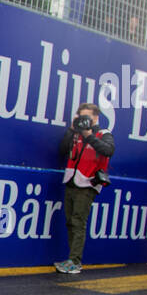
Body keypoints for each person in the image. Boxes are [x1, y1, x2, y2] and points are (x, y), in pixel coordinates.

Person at [54, 102, 114, 274]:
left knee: (78, 222)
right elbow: (62, 150)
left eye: (87, 117)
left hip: (87, 184)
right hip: (72, 180)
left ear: (95, 118)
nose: (84, 121)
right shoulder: (76, 134)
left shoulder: (104, 134)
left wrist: (89, 135)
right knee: (70, 221)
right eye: (81, 117)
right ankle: (71, 258)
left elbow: (108, 150)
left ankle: (75, 261)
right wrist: (72, 130)